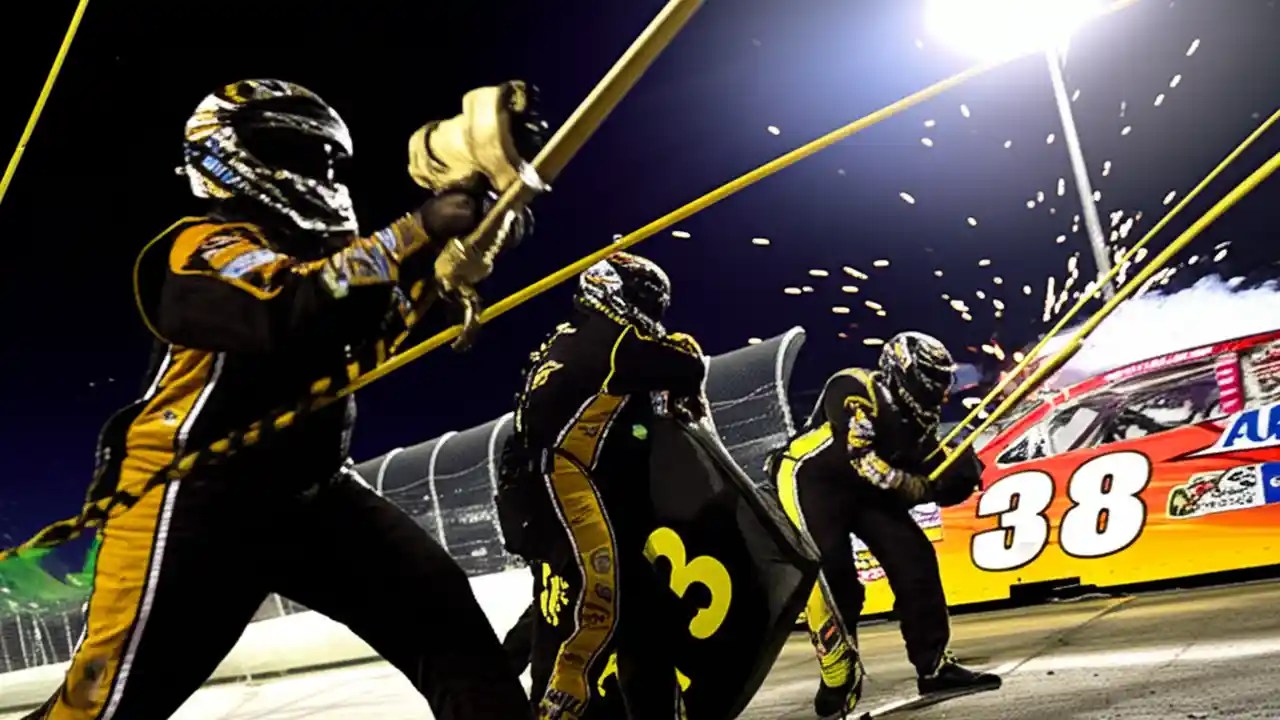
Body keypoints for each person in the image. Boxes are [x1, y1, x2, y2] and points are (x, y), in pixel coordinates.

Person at [24, 78, 544, 720]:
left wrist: (465, 246)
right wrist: (422, 227)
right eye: (297, 155)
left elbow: (379, 325)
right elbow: (288, 313)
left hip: (312, 495)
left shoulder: (337, 263)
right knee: (108, 708)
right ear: (227, 158)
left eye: (324, 161)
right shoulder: (202, 245)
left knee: (446, 624)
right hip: (194, 504)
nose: (317, 174)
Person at [495, 252, 707, 719]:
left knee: (648, 622)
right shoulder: (612, 342)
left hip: (546, 500)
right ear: (615, 294)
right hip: (570, 499)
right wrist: (682, 350)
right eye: (648, 302)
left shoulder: (563, 340)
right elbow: (686, 365)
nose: (653, 316)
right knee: (584, 629)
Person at [767, 331, 1001, 718]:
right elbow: (865, 461)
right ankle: (837, 673)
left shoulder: (921, 421)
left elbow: (931, 473)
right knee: (835, 575)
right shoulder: (856, 388)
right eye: (932, 381)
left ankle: (934, 665)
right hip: (813, 480)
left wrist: (961, 474)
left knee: (915, 560)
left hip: (864, 493)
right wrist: (920, 486)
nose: (941, 392)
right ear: (904, 373)